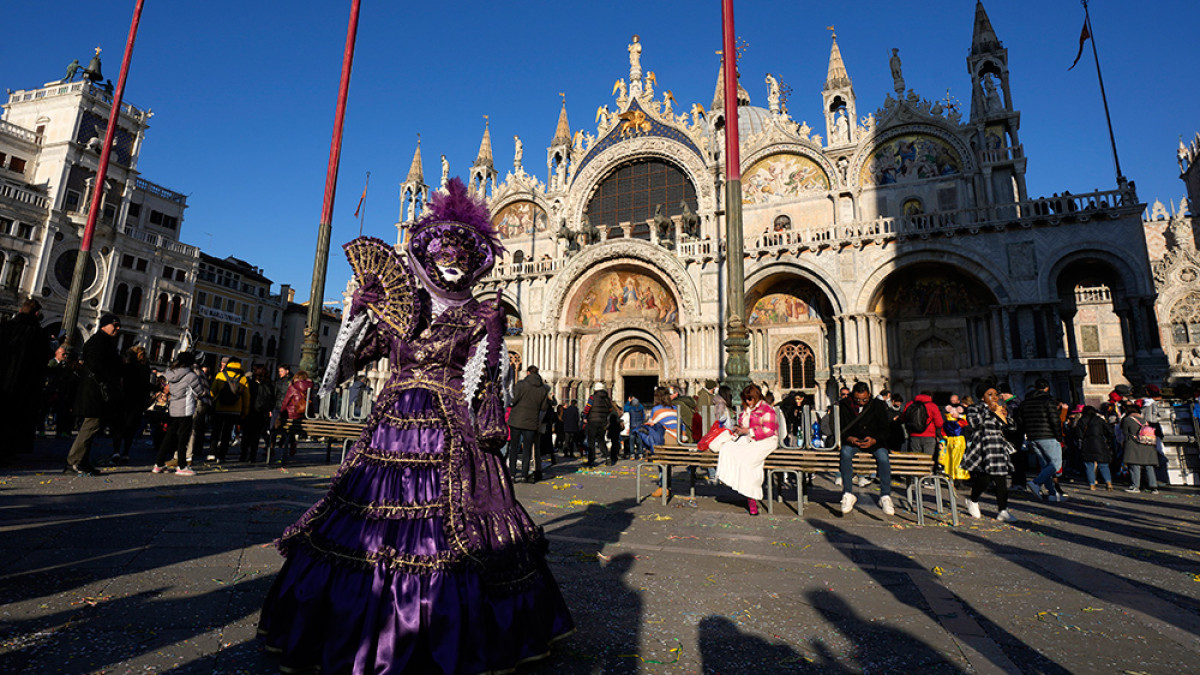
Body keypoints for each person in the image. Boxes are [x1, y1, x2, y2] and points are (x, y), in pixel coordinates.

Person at [259, 178, 572, 672]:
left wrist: (488, 426)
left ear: (473, 264)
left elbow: (486, 384)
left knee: (457, 528)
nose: (450, 264)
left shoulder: (480, 315)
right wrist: (358, 317)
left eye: (460, 258)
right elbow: (343, 368)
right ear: (425, 258)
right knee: (363, 528)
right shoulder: (399, 312)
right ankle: (352, 629)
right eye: (442, 255)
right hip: (389, 432)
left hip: (451, 434)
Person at [66, 313, 123, 476]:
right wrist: (110, 376)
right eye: (115, 325)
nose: (117, 329)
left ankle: (82, 460)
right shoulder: (99, 342)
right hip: (95, 391)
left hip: (97, 391)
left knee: (93, 426)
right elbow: (96, 364)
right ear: (105, 325)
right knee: (90, 426)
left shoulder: (105, 341)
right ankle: (74, 461)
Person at [708, 384, 779, 515]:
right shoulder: (746, 409)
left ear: (756, 397)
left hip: (765, 440)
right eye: (745, 399)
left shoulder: (767, 409)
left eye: (750, 399)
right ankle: (736, 484)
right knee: (728, 448)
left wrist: (749, 430)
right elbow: (744, 426)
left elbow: (769, 430)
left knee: (748, 462)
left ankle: (751, 498)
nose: (747, 401)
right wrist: (739, 430)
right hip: (748, 438)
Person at [961, 382, 1018, 522]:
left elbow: (1012, 428)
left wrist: (1006, 417)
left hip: (998, 445)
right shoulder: (975, 408)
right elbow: (974, 423)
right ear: (982, 397)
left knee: (1001, 479)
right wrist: (988, 411)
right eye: (990, 395)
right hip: (983, 444)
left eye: (996, 395)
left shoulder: (1000, 408)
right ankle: (973, 499)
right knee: (984, 478)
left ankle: (1003, 510)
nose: (994, 397)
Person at [0, 299, 49, 459]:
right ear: (36, 314)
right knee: (15, 420)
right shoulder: (38, 334)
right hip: (24, 386)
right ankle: (8, 451)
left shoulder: (5, 327)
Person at [836, 383, 894, 515]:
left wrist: (874, 439)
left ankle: (885, 496)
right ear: (853, 396)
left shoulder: (878, 405)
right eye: (857, 400)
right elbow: (840, 427)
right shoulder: (845, 405)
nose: (861, 402)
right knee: (845, 453)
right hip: (853, 441)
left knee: (883, 457)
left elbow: (885, 429)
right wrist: (849, 438)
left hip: (874, 441)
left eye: (864, 399)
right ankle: (848, 493)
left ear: (869, 395)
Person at [152, 352, 207, 476]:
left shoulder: (171, 373)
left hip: (174, 407)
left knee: (169, 436)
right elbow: (199, 391)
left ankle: (158, 464)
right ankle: (182, 466)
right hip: (186, 409)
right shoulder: (191, 376)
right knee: (183, 438)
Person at [1020, 378, 1065, 502]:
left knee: (1045, 465)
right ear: (1047, 388)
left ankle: (1052, 493)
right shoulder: (1048, 401)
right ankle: (1036, 482)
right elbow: (1055, 420)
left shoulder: (1025, 402)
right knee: (1055, 464)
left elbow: (1021, 420)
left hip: (1032, 436)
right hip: (1048, 435)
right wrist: (1059, 436)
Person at [508, 365, 548, 482]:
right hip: (531, 423)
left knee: (514, 448)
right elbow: (544, 407)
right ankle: (524, 475)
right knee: (527, 449)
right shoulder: (543, 389)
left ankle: (512, 474)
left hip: (516, 420)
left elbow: (513, 399)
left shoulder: (521, 385)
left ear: (528, 373)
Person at [113, 345, 152, 463]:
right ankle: (126, 453)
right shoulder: (145, 368)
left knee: (119, 426)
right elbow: (146, 386)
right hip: (137, 401)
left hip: (124, 398)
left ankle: (116, 451)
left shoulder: (127, 367)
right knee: (130, 428)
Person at [208, 360, 250, 462]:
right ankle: (221, 456)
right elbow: (246, 397)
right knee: (226, 434)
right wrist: (244, 412)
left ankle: (212, 454)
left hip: (219, 408)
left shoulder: (220, 375)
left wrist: (212, 404)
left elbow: (212, 391)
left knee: (216, 432)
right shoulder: (243, 378)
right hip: (234, 410)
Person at [1121, 403, 1160, 494]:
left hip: (1133, 445)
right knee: (1149, 466)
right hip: (1147, 444)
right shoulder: (1145, 420)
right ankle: (1153, 487)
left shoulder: (1127, 420)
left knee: (1134, 466)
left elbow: (1124, 432)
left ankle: (1135, 486)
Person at [241, 365, 274, 463]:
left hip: (250, 411)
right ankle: (252, 456)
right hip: (261, 413)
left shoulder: (251, 384)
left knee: (246, 435)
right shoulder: (269, 385)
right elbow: (271, 399)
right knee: (255, 436)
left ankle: (243, 455)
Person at [277, 371, 313, 460]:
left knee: (285, 425)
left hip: (292, 414)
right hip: (304, 415)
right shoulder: (311, 387)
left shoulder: (293, 387)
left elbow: (286, 401)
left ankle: (284, 442)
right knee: (292, 428)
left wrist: (281, 412)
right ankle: (291, 443)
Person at [1077, 405, 1114, 490]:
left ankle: (1092, 484)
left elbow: (1078, 434)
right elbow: (1110, 430)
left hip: (1087, 443)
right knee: (1103, 464)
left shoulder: (1081, 421)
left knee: (1089, 464)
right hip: (1100, 443)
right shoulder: (1099, 420)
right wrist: (1107, 439)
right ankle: (1108, 483)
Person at [902, 390, 944, 462]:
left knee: (915, 459)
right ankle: (926, 473)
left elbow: (903, 419)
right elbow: (939, 423)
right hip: (929, 436)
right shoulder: (932, 406)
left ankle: (916, 472)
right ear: (930, 397)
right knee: (927, 459)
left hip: (913, 435)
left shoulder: (910, 404)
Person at [583, 382, 612, 467]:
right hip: (603, 422)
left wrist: (585, 417)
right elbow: (610, 409)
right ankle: (607, 457)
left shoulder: (592, 397)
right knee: (601, 440)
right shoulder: (607, 399)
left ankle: (591, 460)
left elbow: (587, 408)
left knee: (591, 441)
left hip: (593, 421)